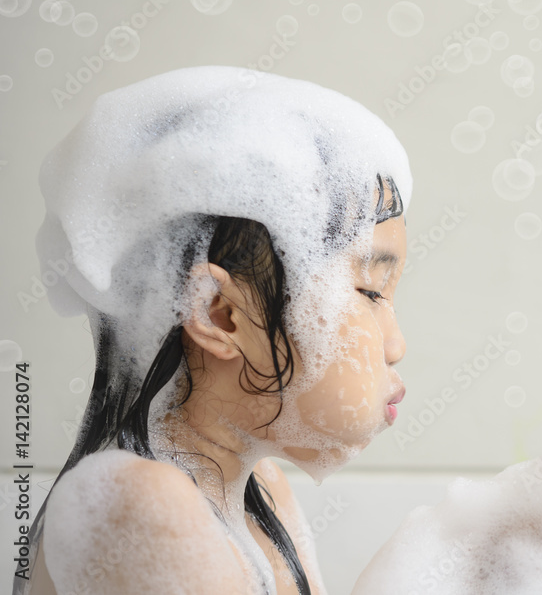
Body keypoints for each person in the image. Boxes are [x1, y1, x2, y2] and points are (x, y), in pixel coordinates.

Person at [17, 65, 413, 595]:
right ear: (220, 314)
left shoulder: (258, 496)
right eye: (370, 293)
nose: (396, 345)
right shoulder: (140, 505)